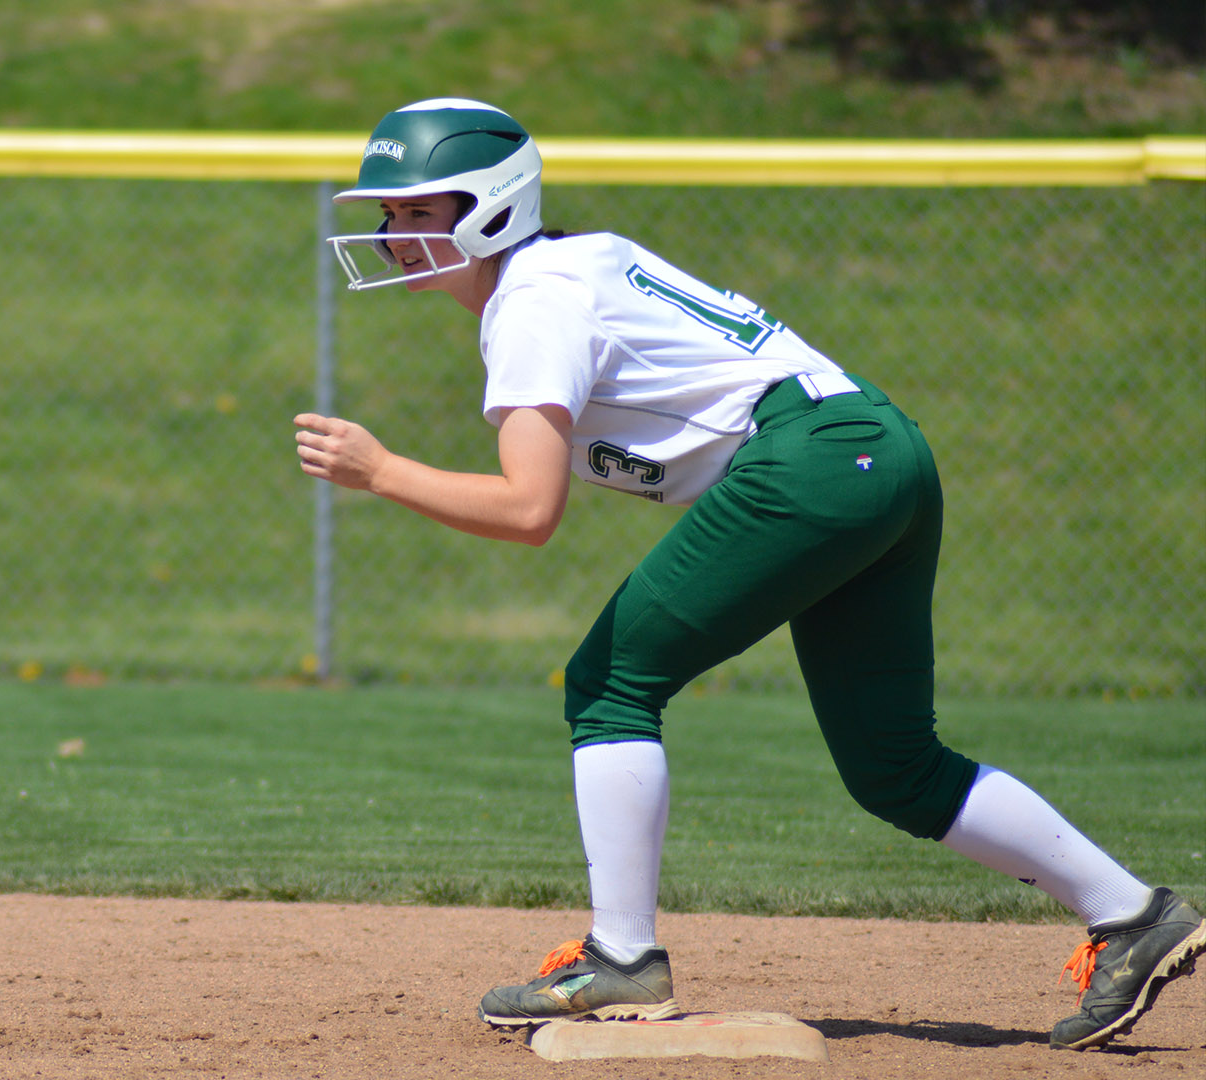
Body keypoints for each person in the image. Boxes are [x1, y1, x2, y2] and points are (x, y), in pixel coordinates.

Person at [293, 97, 1203, 1051]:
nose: (392, 232)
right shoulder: (572, 263)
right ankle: (1133, 918)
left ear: (490, 206)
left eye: (417, 211)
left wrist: (380, 471)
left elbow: (529, 511)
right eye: (389, 213)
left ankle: (622, 959)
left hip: (809, 462)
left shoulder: (533, 300)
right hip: (876, 449)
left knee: (610, 684)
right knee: (894, 768)